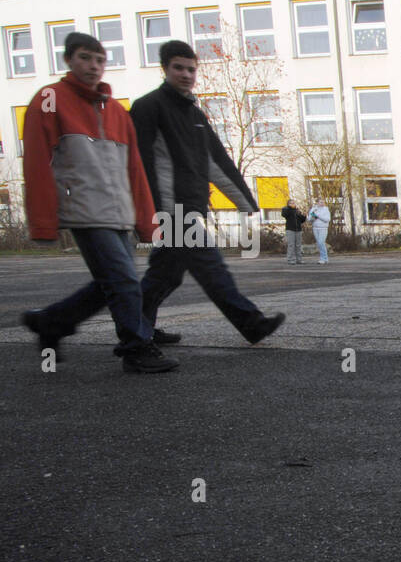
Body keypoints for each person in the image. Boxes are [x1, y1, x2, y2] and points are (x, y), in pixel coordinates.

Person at [18, 33, 177, 373]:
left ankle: (50, 322)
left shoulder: (116, 110)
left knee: (112, 283)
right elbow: (36, 162)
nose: (93, 66)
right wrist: (43, 221)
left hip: (116, 210)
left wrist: (147, 221)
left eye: (99, 60)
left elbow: (134, 170)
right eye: (85, 58)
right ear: (68, 60)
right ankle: (136, 348)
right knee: (122, 280)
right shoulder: (50, 99)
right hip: (83, 209)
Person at [132, 40, 285, 347]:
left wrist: (243, 201)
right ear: (164, 69)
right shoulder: (148, 107)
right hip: (171, 211)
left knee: (166, 276)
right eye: (179, 68)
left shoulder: (194, 115)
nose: (186, 74)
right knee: (211, 267)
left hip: (190, 206)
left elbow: (216, 163)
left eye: (191, 69)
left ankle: (136, 325)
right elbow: (139, 163)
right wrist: (153, 213)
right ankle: (252, 324)